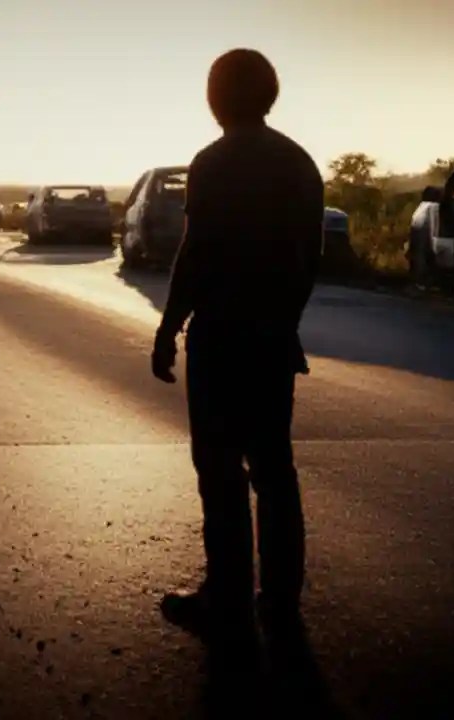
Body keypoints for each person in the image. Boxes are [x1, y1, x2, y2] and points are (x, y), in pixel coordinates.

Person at [151, 49, 325, 651]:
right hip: (274, 339)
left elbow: (196, 253)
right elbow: (309, 259)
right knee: (275, 470)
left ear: (216, 97)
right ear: (270, 93)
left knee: (220, 472)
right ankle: (280, 602)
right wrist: (283, 321)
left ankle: (226, 597)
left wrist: (168, 326)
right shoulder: (299, 163)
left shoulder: (214, 163)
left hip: (221, 339)